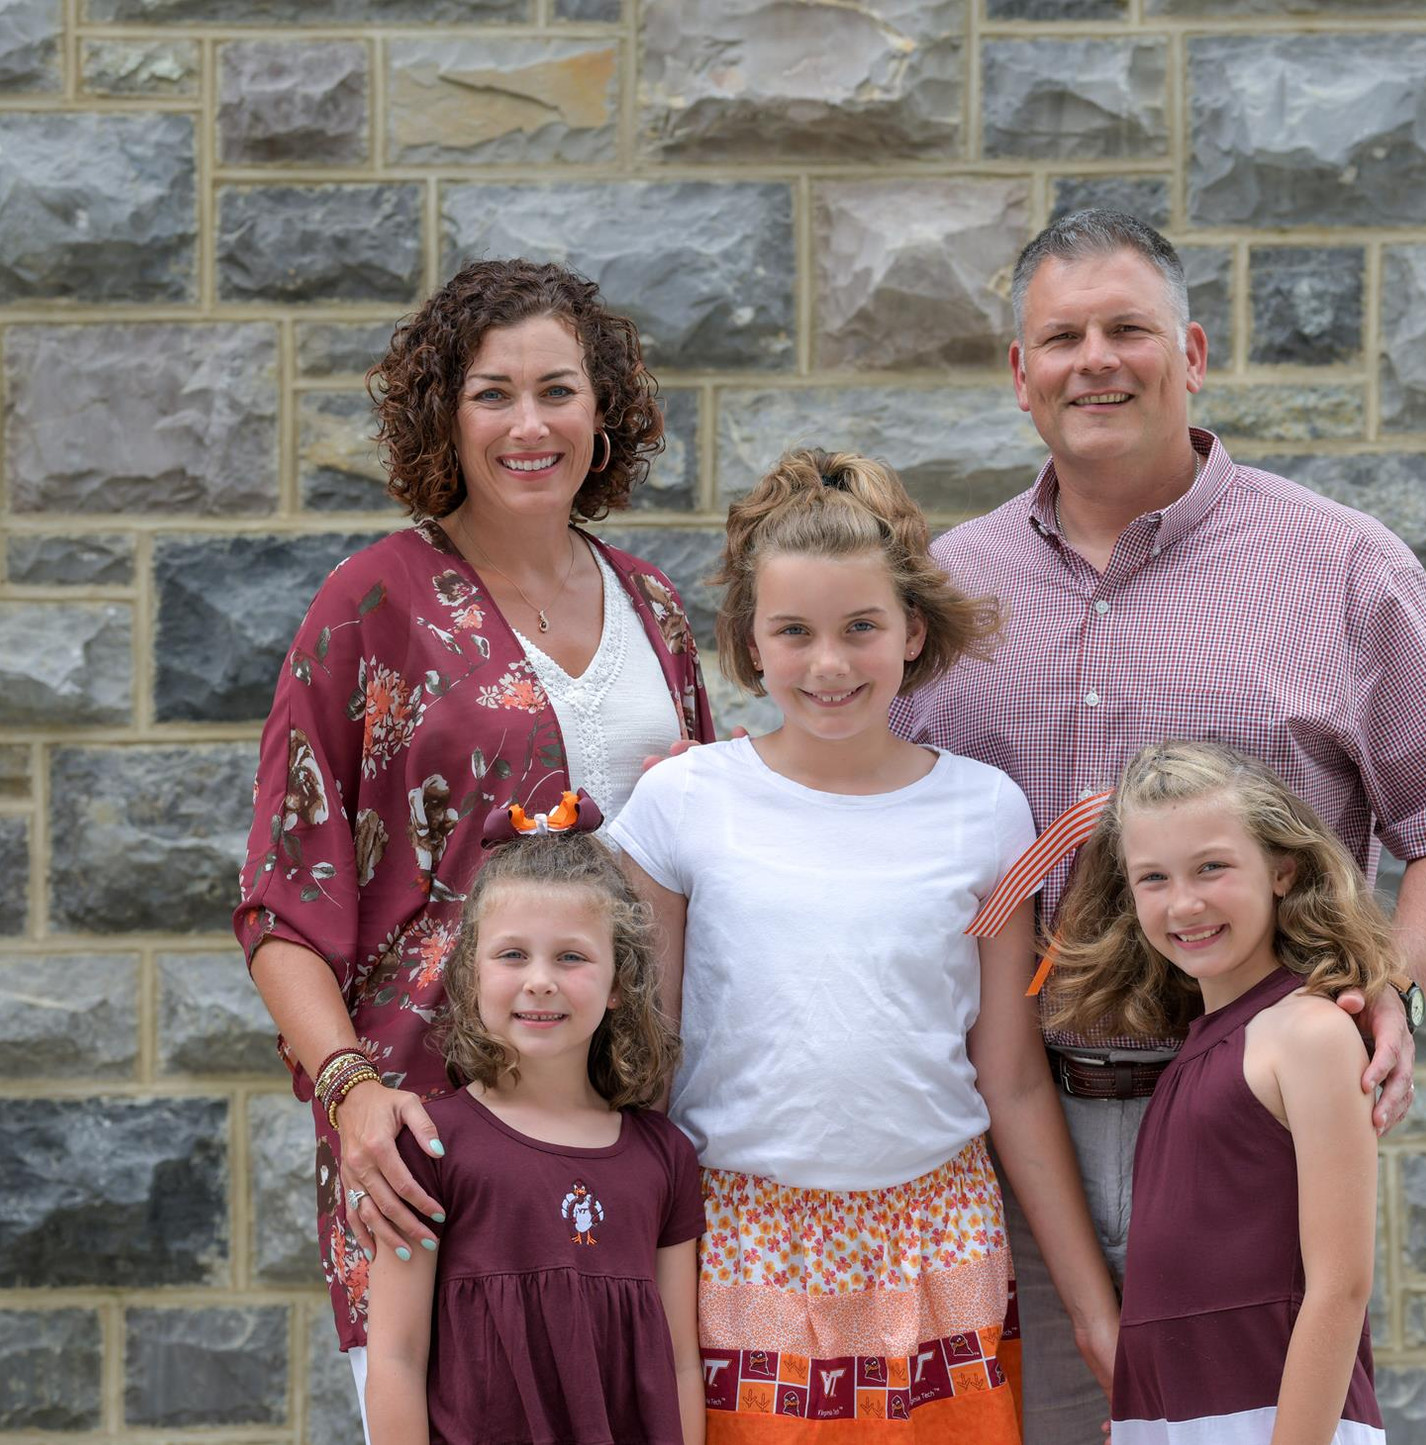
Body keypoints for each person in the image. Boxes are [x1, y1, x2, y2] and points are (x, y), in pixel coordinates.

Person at [891, 208, 1426, 1440]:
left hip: (1255, 1118)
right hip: (1017, 1134)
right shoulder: (942, 597)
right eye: (1061, 336)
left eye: (1128, 328)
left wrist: (1391, 984)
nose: (1097, 359)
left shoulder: (1342, 564)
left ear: (1193, 350)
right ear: (1020, 376)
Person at [235, 258, 715, 1422]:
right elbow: (280, 900)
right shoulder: (373, 602)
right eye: (492, 392)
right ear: (443, 414)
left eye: (558, 389)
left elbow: (707, 845)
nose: (528, 423)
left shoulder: (651, 603)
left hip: (625, 1140)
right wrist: (349, 1091)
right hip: (432, 1137)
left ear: (603, 411)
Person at [609, 449, 1121, 1440]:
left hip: (936, 1245)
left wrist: (1093, 1306)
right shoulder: (685, 803)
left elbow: (1010, 1078)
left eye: (860, 628)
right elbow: (645, 1073)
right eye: (793, 632)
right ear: (751, 643)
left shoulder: (985, 809)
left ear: (912, 630)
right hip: (737, 1246)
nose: (829, 664)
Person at [1044, 741, 1390, 1445]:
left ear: (1283, 869)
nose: (1185, 902)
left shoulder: (1310, 1034)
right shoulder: (1193, 1054)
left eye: (1212, 867)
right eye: (1153, 878)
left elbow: (1340, 1286)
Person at [364, 826, 706, 1445]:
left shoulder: (665, 1157)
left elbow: (682, 1359)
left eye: (571, 957)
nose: (540, 980)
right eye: (512, 954)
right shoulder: (429, 1145)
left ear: (618, 983)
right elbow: (395, 1355)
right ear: (469, 974)